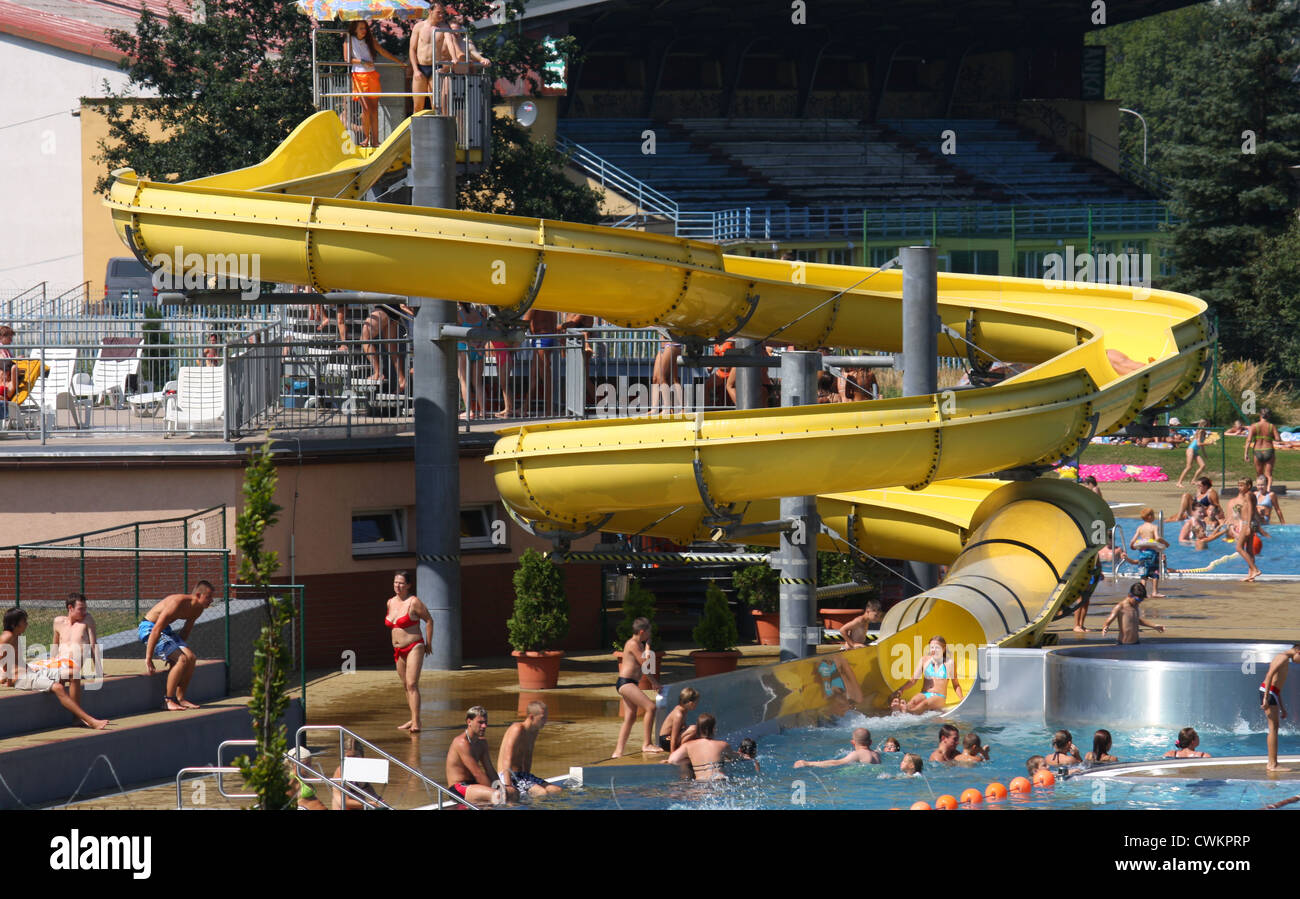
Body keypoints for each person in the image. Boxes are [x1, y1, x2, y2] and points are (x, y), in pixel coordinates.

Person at [1, 605, 109, 729]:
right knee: (58, 688)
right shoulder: (7, 637)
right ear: (15, 624)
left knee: (74, 673)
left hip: (30, 672)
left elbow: (9, 659)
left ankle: (76, 719)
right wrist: (8, 678)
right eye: (24, 621)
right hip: (21, 678)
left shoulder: (16, 635)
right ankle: (90, 720)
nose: (27, 624)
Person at [138, 580, 214, 710]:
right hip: (149, 628)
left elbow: (186, 631)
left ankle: (181, 698)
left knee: (190, 658)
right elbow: (156, 629)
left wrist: (174, 651)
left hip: (165, 630)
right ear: (197, 595)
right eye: (208, 597)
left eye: (212, 597)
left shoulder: (198, 609)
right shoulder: (176, 602)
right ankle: (168, 701)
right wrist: (148, 658)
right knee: (182, 659)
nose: (211, 600)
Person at [344, 20, 408, 149]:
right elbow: (347, 59)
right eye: (361, 28)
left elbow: (382, 51)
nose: (364, 30)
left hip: (372, 74)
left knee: (374, 109)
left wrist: (398, 62)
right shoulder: (349, 40)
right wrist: (363, 62)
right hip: (359, 75)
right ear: (355, 29)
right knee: (366, 109)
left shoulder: (369, 40)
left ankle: (375, 140)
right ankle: (366, 137)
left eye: (365, 28)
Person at [385, 570, 432, 733]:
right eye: (395, 582)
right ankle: (412, 718)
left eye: (401, 583)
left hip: (414, 646)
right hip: (398, 650)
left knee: (412, 683)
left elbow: (429, 620)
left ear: (409, 585)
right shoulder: (390, 602)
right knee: (406, 685)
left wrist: (429, 643)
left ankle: (417, 722)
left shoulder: (414, 602)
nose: (397, 586)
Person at [446, 706, 517, 807]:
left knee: (514, 792)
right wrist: (497, 791)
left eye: (486, 722)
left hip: (474, 784)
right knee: (496, 795)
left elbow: (490, 770)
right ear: (469, 722)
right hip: (458, 787)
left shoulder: (482, 743)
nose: (484, 726)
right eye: (480, 722)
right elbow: (477, 773)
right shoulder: (461, 742)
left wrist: (501, 787)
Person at [613, 617, 662, 757]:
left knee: (630, 717)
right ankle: (647, 744)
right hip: (625, 682)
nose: (650, 635)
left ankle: (618, 752)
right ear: (642, 631)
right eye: (649, 632)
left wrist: (654, 681)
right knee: (650, 707)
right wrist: (654, 682)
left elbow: (647, 667)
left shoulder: (638, 645)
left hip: (630, 683)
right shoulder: (633, 644)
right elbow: (645, 665)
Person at [497, 700, 562, 799]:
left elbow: (528, 758)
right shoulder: (517, 729)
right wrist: (508, 786)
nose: (546, 721)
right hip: (508, 776)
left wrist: (528, 779)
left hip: (522, 776)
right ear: (531, 717)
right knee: (541, 793)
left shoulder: (534, 731)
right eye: (543, 718)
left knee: (557, 790)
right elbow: (507, 758)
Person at [890, 635, 963, 713]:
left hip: (939, 696)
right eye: (932, 647)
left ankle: (906, 711)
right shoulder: (924, 660)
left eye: (937, 647)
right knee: (913, 702)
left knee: (925, 704)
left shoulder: (949, 663)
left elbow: (956, 685)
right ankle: (903, 710)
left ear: (944, 649)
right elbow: (913, 680)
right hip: (925, 693)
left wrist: (962, 698)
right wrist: (901, 689)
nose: (934, 650)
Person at [1260, 645, 1300, 772]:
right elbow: (1270, 675)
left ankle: (1273, 763)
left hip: (1273, 693)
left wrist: (1282, 707)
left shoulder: (1285, 659)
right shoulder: (1282, 657)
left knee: (1275, 728)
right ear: (1298, 652)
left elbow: (1277, 685)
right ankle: (1272, 764)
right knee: (1273, 728)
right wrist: (1265, 698)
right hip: (1269, 693)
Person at [665, 713, 734, 780]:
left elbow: (672, 760)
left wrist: (691, 759)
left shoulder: (688, 746)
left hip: (700, 785)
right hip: (719, 782)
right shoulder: (723, 745)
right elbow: (735, 757)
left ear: (697, 729)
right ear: (713, 729)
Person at [1100, 582, 1165, 645]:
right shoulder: (1120, 607)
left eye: (1141, 600)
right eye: (1138, 600)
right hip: (1123, 644)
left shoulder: (1135, 605)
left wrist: (1154, 626)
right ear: (1130, 595)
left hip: (1136, 643)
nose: (1139, 602)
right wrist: (1105, 627)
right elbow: (1109, 620)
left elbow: (1137, 620)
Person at [1129, 507, 1169, 598]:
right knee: (1155, 573)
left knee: (1144, 575)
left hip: (1142, 554)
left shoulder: (1140, 528)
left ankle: (1143, 593)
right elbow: (1158, 538)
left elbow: (1133, 541)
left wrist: (1132, 546)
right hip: (1152, 553)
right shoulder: (1154, 527)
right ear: (1150, 516)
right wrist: (1166, 543)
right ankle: (1155, 592)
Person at [794, 728, 880, 768]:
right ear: (871, 742)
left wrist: (808, 763)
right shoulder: (876, 753)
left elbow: (836, 763)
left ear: (853, 742)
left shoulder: (857, 754)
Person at [456, 303, 486, 420]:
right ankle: (483, 410)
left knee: (464, 381)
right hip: (479, 349)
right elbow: (485, 332)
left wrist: (471, 344)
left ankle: (469, 411)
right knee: (478, 382)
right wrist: (480, 346)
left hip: (465, 348)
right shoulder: (478, 314)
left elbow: (458, 335)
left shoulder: (458, 315)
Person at [1230, 478, 1263, 581]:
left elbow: (1250, 511)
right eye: (1238, 485)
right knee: (1249, 550)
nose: (1239, 488)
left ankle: (1255, 569)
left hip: (1247, 523)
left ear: (1248, 486)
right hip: (1251, 523)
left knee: (1239, 548)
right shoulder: (1252, 495)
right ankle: (1251, 575)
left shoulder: (1248, 495)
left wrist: (1247, 525)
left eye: (1242, 485)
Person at [1246, 409, 1281, 491]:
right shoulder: (1271, 426)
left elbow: (1248, 440)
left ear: (1260, 415)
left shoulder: (1254, 426)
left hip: (1257, 450)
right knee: (1268, 474)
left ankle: (1259, 492)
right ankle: (1268, 490)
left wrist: (1246, 453)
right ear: (1268, 416)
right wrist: (1271, 436)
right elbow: (1278, 439)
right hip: (1268, 449)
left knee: (1259, 474)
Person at [658, 687, 699, 753]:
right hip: (666, 740)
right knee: (694, 729)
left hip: (670, 738)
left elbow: (684, 727)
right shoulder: (678, 715)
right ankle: (680, 751)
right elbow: (674, 737)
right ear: (691, 703)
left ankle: (683, 749)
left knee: (696, 732)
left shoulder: (683, 710)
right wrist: (672, 756)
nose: (697, 705)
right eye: (696, 703)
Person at [1174, 420, 1209, 487]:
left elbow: (1201, 445)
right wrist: (1208, 443)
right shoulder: (1200, 432)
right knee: (1189, 466)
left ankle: (1193, 480)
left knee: (1202, 465)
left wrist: (1204, 453)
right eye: (1206, 425)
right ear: (1203, 426)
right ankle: (1179, 482)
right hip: (1191, 450)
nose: (1208, 427)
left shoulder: (1204, 433)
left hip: (1195, 451)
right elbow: (1198, 443)